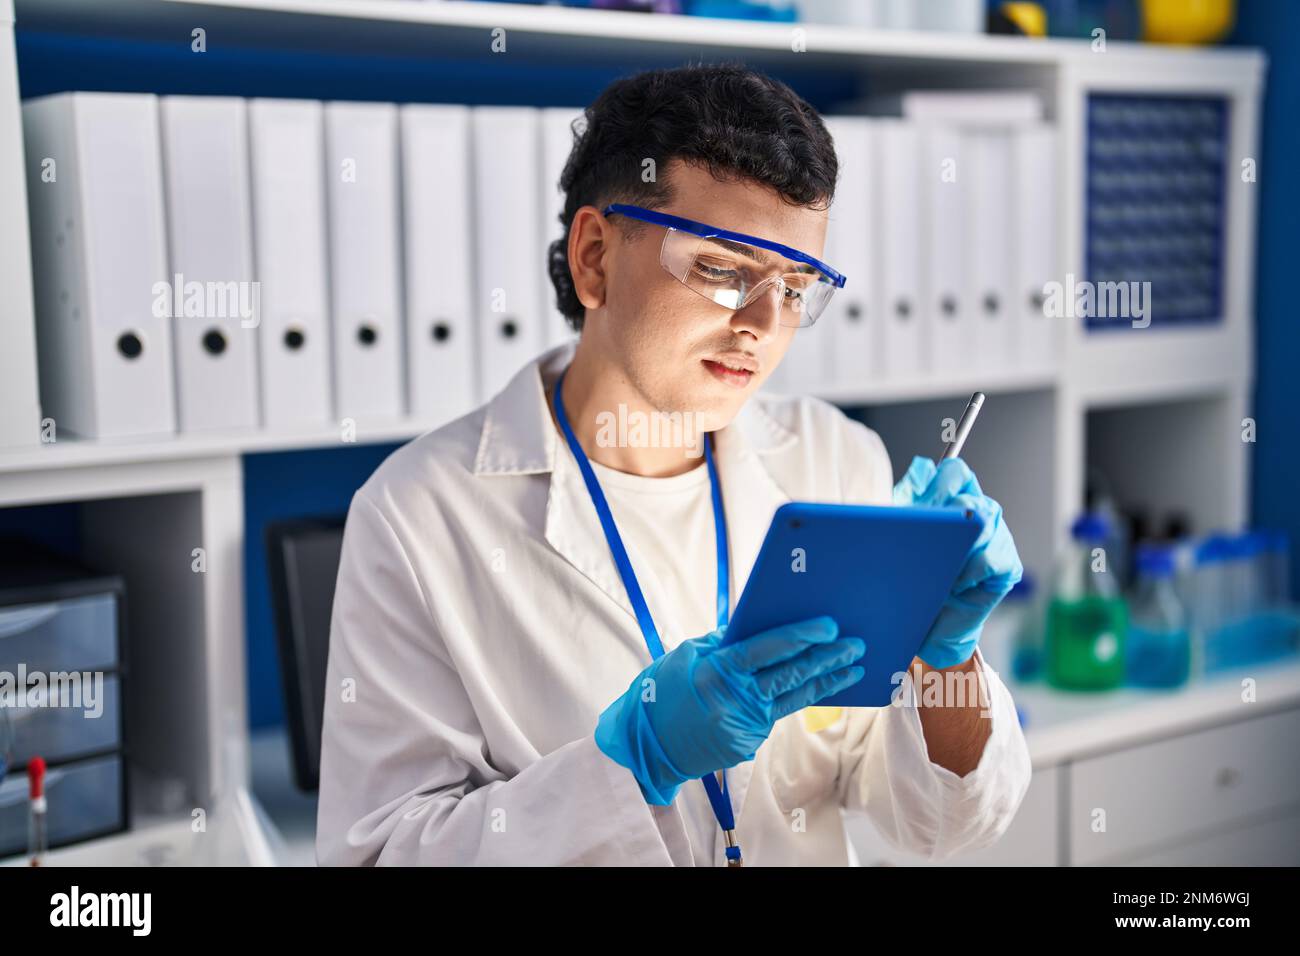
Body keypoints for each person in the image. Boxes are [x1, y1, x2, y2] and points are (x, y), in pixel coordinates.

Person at [316, 63, 1031, 866]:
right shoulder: (417, 517)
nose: (764, 323)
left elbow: (944, 826)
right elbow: (379, 857)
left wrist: (948, 662)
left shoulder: (835, 462)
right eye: (724, 270)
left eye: (796, 288)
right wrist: (633, 764)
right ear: (594, 257)